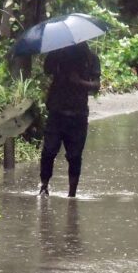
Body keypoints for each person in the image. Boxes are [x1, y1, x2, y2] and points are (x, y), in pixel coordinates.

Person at [38, 42, 101, 198]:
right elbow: (47, 70)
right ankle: (44, 187)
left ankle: (72, 194)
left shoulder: (90, 58)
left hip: (78, 114)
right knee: (49, 151)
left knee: (74, 156)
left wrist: (79, 82)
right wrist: (57, 55)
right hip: (56, 112)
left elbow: (96, 86)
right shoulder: (58, 54)